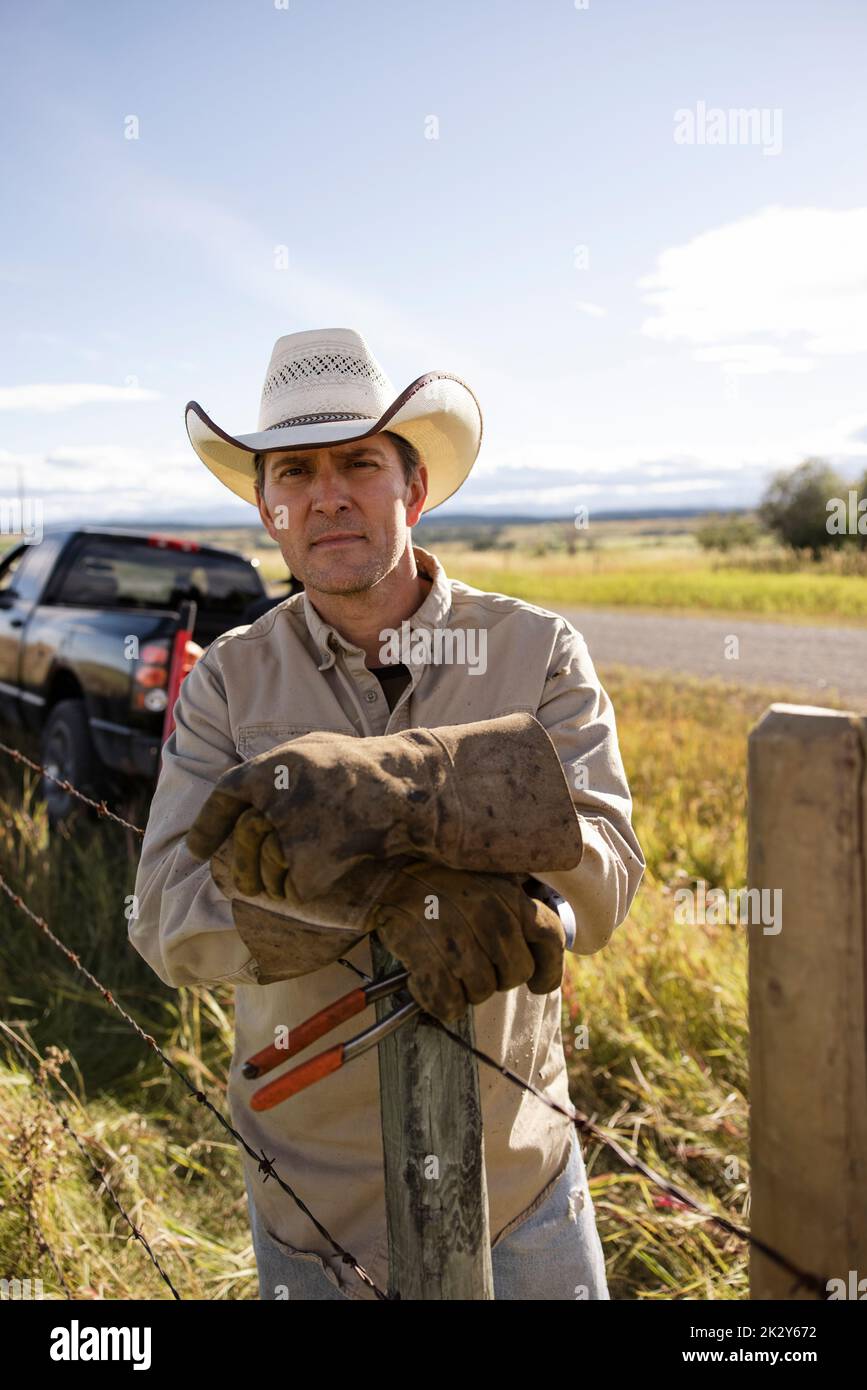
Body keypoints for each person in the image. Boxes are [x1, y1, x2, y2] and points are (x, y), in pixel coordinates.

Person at [130, 326, 645, 1300]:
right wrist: (384, 893)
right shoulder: (229, 683)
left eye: (358, 463)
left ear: (412, 489)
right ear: (267, 508)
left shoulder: (535, 651)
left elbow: (607, 871)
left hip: (519, 1179)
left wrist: (403, 795)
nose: (327, 495)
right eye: (295, 471)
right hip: (317, 1201)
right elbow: (165, 917)